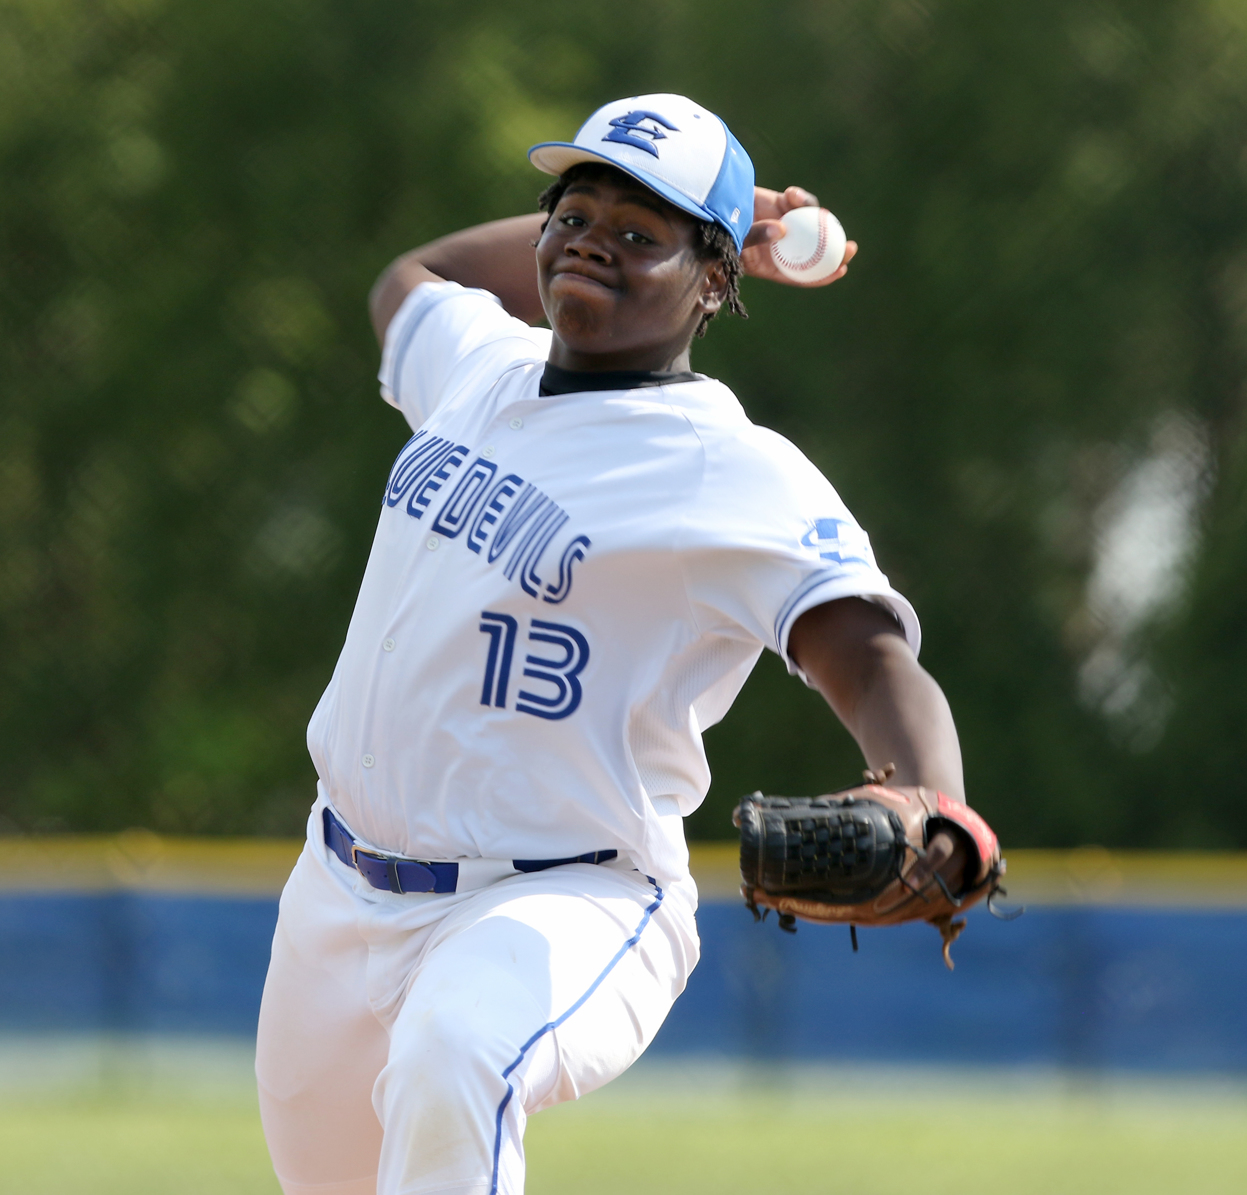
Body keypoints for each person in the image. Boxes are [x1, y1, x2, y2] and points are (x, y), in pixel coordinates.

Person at [255, 93, 967, 1195]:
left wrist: (930, 795)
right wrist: (653, 232)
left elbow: (868, 651)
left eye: (640, 235)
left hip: (556, 895)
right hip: (336, 887)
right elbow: (410, 277)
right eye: (570, 214)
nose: (589, 241)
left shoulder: (727, 468)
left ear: (714, 280)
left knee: (456, 1053)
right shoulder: (477, 368)